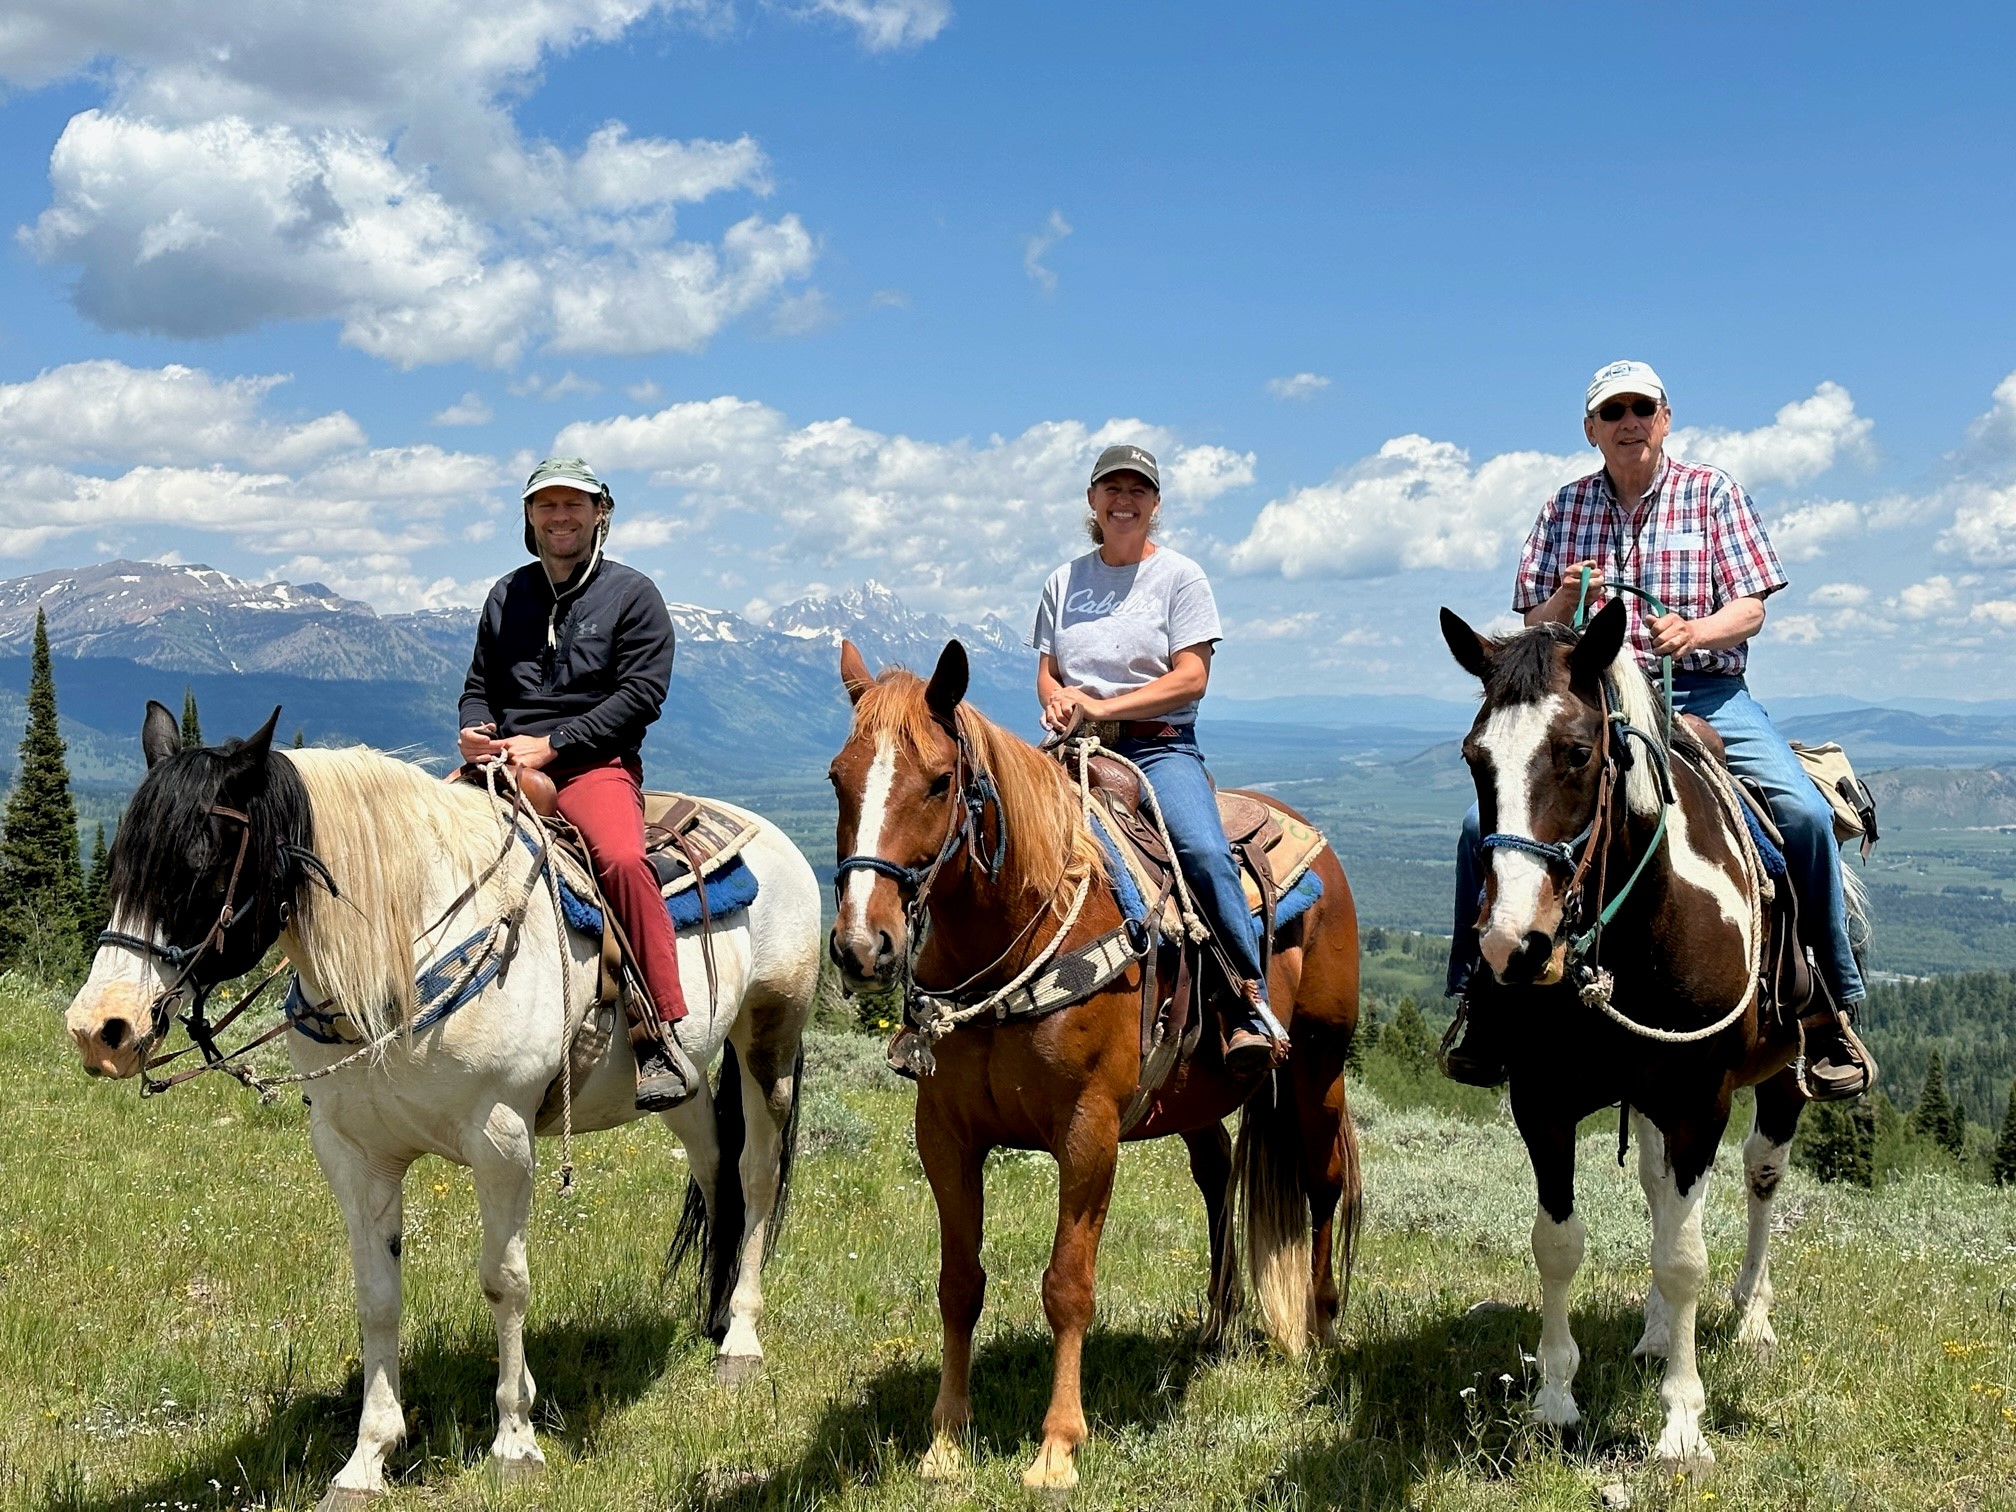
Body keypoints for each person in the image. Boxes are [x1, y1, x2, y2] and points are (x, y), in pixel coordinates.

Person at [1441, 361, 1874, 1100]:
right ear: (1592, 430)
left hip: (1706, 690)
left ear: (1665, 419)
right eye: (1613, 413)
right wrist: (1561, 601)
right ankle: (1481, 1000)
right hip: (1595, 696)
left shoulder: (1712, 493)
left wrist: (1697, 628)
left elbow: (1752, 610)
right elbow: (1533, 630)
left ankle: (1831, 1004)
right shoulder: (1563, 507)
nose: (1629, 422)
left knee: (1799, 812)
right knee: (1477, 827)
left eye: (1642, 408)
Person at [1031, 443, 1288, 1076]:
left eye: (1138, 490)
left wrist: (1102, 706)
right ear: (1092, 501)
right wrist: (1061, 701)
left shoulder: (1180, 577)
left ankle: (1246, 1002)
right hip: (1073, 746)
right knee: (989, 833)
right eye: (1112, 489)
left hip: (1159, 745)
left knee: (1200, 850)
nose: (1125, 501)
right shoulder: (1062, 581)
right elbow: (1047, 671)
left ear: (1155, 504)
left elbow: (1191, 678)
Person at [458, 456, 696, 1110]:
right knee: (415, 842)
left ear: (599, 514)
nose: (559, 517)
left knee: (621, 860)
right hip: (505, 760)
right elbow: (480, 685)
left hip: (593, 764)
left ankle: (658, 1031)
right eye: (546, 506)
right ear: (530, 518)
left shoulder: (633, 595)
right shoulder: (507, 595)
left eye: (573, 505)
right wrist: (475, 726)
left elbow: (642, 695)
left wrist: (556, 741)